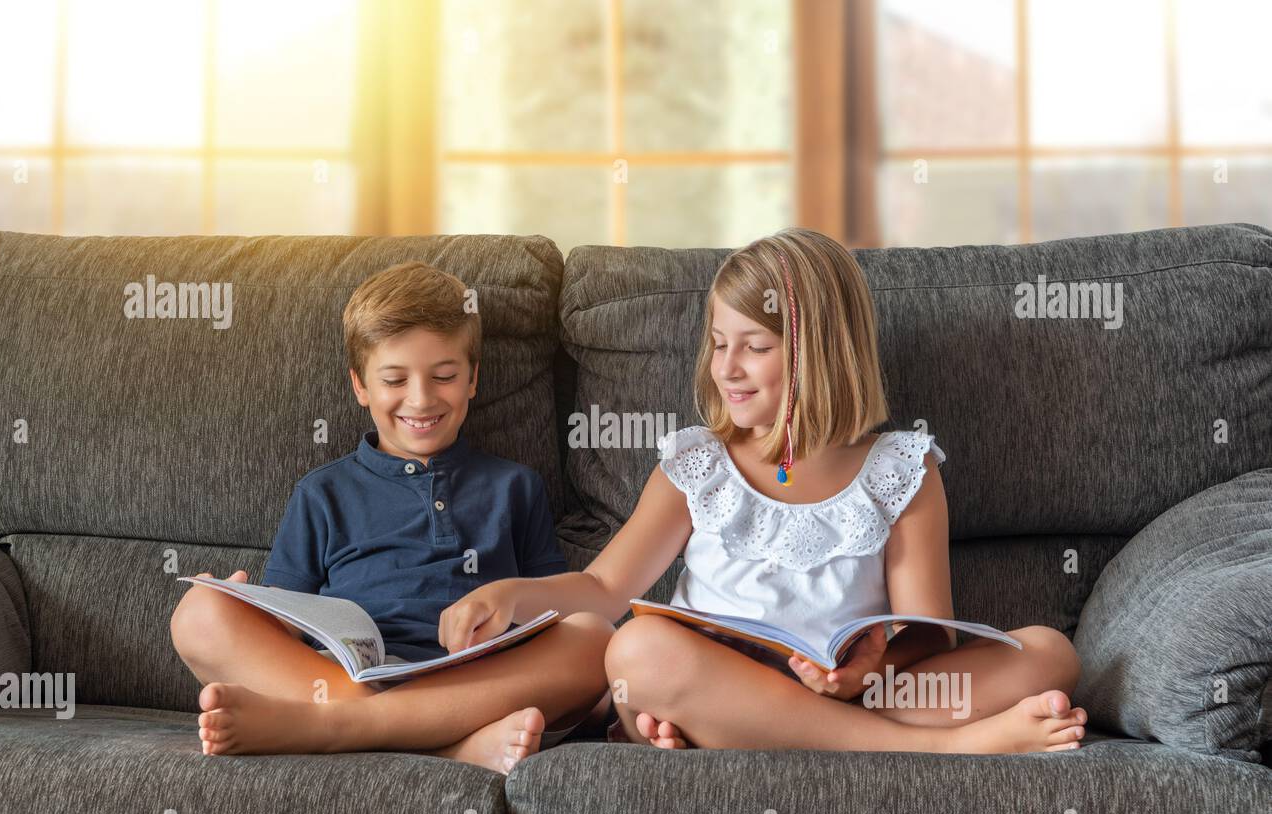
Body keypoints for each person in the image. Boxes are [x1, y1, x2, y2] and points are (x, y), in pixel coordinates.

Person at [438, 227, 1088, 754]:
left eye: (753, 346)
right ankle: (949, 746)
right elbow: (606, 589)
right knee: (636, 649)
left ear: (820, 355)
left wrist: (862, 670)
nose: (725, 367)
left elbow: (930, 636)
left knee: (1046, 654)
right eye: (719, 343)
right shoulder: (698, 461)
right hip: (717, 679)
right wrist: (512, 593)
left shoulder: (902, 470)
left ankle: (761, 731)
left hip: (853, 693)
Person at [170, 261, 613, 772]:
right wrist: (238, 601)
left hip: (473, 685)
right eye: (395, 379)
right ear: (360, 386)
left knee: (594, 635)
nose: (421, 399)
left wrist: (509, 616)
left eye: (444, 376)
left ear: (473, 379)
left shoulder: (515, 486)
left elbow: (552, 610)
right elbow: (289, 626)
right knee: (198, 613)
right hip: (349, 678)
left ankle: (336, 730)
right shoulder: (322, 493)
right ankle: (451, 747)